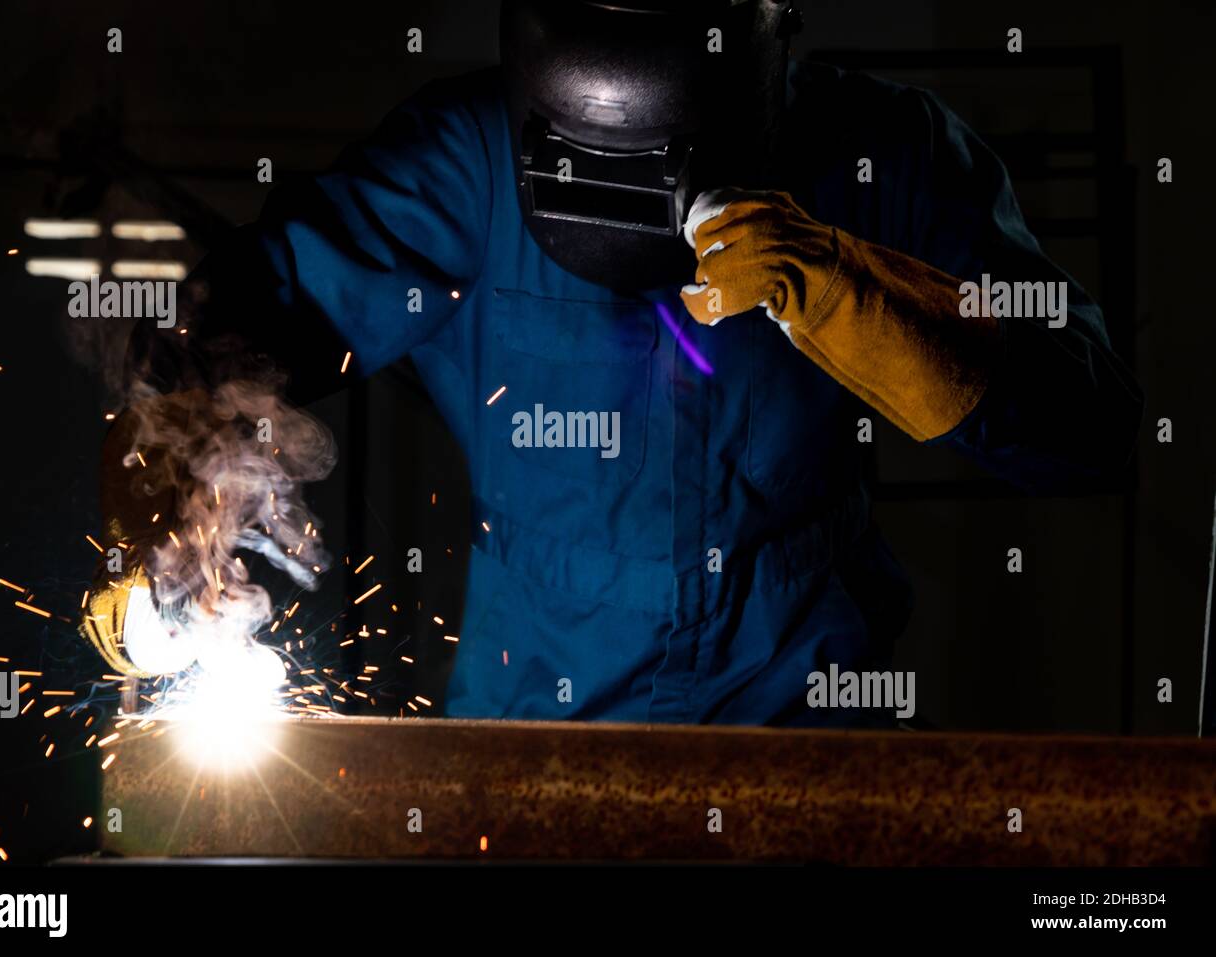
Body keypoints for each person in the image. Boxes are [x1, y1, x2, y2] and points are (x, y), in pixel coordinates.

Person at [83, 0, 1142, 726]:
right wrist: (169, 487)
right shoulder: (467, 159)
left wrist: (856, 290)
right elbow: (250, 325)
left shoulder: (889, 153)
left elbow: (1091, 430)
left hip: (797, 707)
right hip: (531, 706)